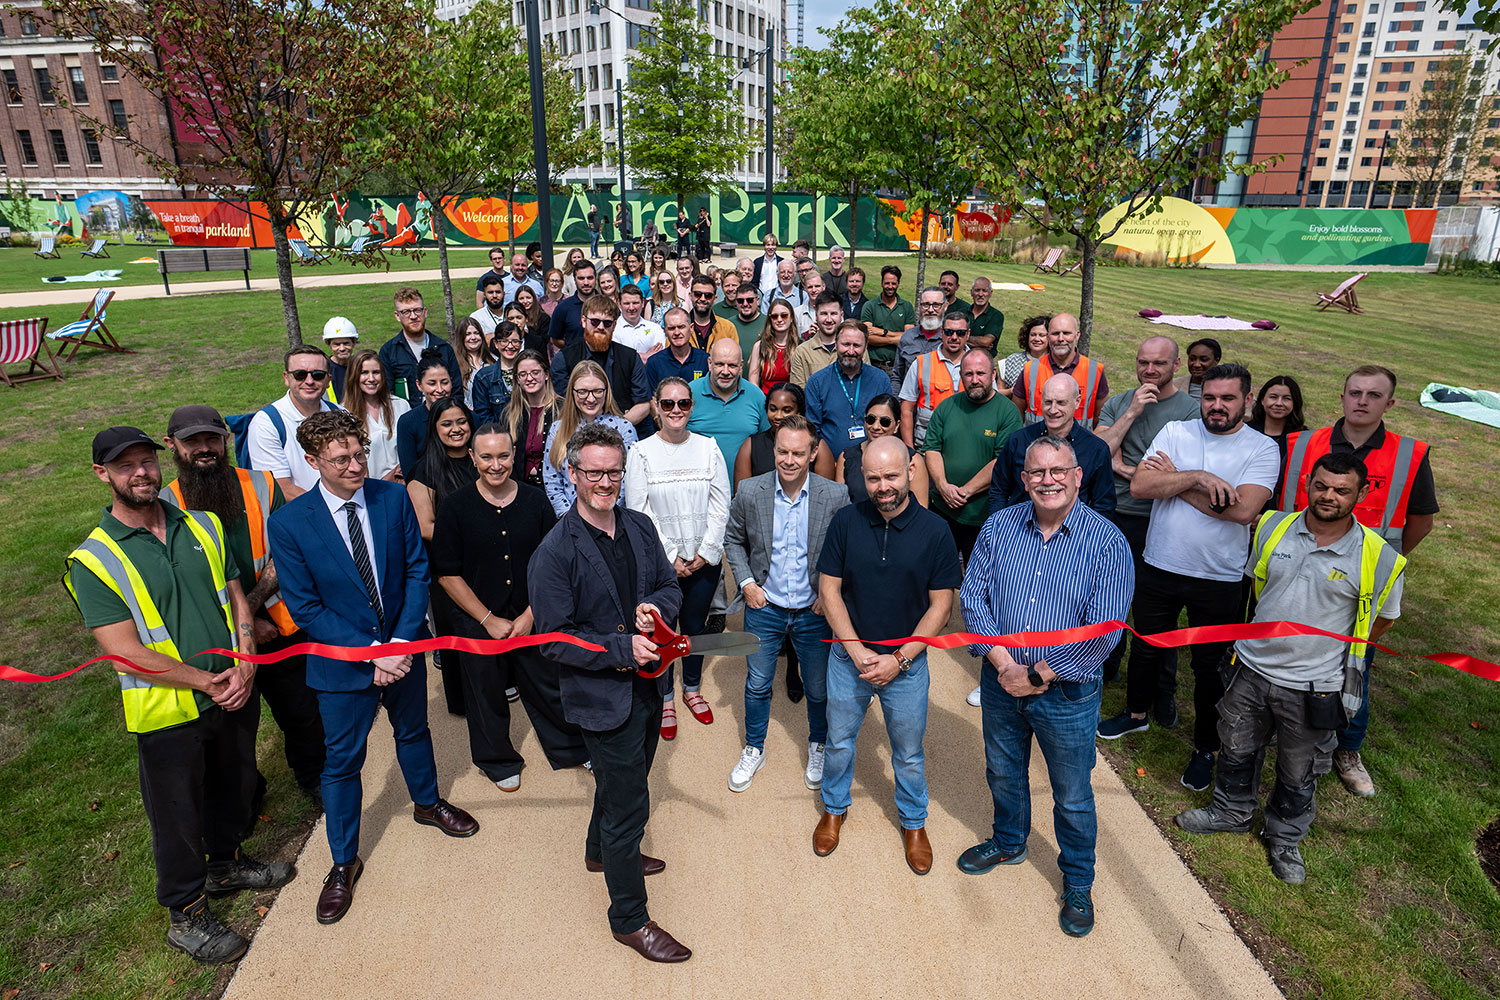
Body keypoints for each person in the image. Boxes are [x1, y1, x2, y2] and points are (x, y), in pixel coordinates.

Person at [67, 427, 293, 964]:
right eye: (126, 467)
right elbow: (124, 650)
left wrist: (242, 662)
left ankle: (226, 865)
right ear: (103, 475)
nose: (141, 473)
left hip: (233, 688)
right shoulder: (93, 559)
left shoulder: (205, 526)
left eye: (147, 462)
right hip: (168, 709)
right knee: (177, 815)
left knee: (233, 786)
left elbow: (237, 598)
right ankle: (185, 913)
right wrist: (204, 681)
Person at [268, 410, 478, 926]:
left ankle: (427, 804)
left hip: (404, 649)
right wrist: (372, 651)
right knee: (341, 762)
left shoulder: (391, 499)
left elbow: (414, 569)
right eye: (341, 460)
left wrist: (401, 642)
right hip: (342, 666)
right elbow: (305, 607)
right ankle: (343, 862)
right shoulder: (290, 522)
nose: (356, 465)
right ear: (314, 462)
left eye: (360, 453)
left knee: (414, 732)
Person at [1176, 453, 1404, 885]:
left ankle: (1284, 839)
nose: (1329, 497)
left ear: (1362, 493)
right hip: (1251, 669)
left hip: (1316, 686)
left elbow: (1382, 623)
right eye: (1321, 486)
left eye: (1341, 491)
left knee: (1300, 770)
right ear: (1307, 483)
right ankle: (1231, 811)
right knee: (1237, 747)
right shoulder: (1271, 527)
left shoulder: (1381, 558)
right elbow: (1258, 585)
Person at [957, 435, 1135, 938]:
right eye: (1037, 473)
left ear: (1078, 476)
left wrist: (1035, 674)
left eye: (1058, 471)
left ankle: (1078, 879)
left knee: (1073, 793)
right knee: (1003, 770)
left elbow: (1104, 631)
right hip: (1000, 680)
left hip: (1067, 694)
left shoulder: (1107, 541)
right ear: (1023, 479)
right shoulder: (999, 527)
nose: (1048, 480)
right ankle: (1009, 840)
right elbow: (974, 600)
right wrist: (1001, 662)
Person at [527, 422, 689, 963]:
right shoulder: (554, 552)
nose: (604, 482)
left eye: (613, 472)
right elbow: (554, 641)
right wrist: (624, 650)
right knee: (629, 806)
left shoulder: (640, 527)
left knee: (629, 781)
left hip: (649, 688)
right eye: (593, 472)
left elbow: (669, 587)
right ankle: (629, 919)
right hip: (602, 700)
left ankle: (601, 853)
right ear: (571, 474)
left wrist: (657, 611)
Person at [1097, 363, 1281, 793]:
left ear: (1247, 401)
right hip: (1160, 563)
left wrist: (1173, 481)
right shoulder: (1178, 432)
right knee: (1146, 647)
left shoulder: (1262, 449)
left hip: (1218, 577)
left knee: (1208, 668)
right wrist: (1199, 478)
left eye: (1228, 399)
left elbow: (1242, 511)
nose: (1216, 406)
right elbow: (1141, 486)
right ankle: (1137, 714)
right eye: (1210, 398)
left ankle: (1204, 747)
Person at [1276, 364, 1437, 796]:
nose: (1362, 401)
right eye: (1355, 392)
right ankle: (1284, 728)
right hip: (1301, 566)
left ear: (1390, 403)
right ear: (1343, 396)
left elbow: (1420, 521)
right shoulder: (1304, 443)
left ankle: (1347, 749)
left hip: (1363, 582)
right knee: (1290, 648)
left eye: (1373, 394)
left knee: (1354, 666)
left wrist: (1386, 563)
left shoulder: (1410, 454)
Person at [813, 436, 962, 875]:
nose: (883, 486)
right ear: (862, 476)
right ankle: (834, 807)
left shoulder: (936, 531)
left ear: (912, 470)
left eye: (892, 476)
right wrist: (857, 652)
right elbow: (829, 590)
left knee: (909, 752)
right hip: (849, 659)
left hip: (907, 665)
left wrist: (898, 660)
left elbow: (942, 606)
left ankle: (914, 822)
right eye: (874, 477)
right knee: (838, 742)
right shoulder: (845, 522)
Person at [163, 405, 326, 802]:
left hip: (281, 626)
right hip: (217, 641)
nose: (205, 449)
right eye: (193, 441)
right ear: (172, 446)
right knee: (231, 728)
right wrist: (243, 626)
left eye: (212, 439)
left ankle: (315, 779)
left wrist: (250, 610)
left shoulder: (262, 484)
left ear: (226, 440)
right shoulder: (166, 504)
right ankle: (246, 798)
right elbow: (181, 580)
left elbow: (288, 553)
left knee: (303, 713)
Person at [434, 422, 587, 791]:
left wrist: (531, 614)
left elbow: (554, 564)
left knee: (549, 683)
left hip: (531, 614)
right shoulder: (455, 507)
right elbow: (446, 573)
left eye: (503, 455)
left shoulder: (535, 502)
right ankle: (497, 759)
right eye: (486, 456)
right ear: (473, 458)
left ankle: (569, 747)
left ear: (514, 454)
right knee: (484, 691)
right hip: (477, 619)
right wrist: (487, 620)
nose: (495, 464)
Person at [724, 414, 849, 792]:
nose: (789, 460)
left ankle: (818, 743)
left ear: (813, 453)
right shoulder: (750, 491)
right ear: (774, 449)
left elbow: (845, 551)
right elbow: (732, 540)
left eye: (798, 453)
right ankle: (754, 747)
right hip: (766, 607)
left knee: (817, 686)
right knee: (758, 683)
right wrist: (746, 583)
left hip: (814, 610)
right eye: (782, 451)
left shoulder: (835, 495)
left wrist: (830, 596)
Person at [624, 378, 731, 741]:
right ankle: (666, 695)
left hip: (703, 559)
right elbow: (639, 511)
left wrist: (703, 553)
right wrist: (670, 557)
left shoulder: (708, 448)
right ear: (655, 406)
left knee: (694, 628)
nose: (675, 411)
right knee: (661, 630)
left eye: (683, 404)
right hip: (660, 564)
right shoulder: (640, 453)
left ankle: (692, 687)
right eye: (667, 404)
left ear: (691, 406)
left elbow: (721, 504)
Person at [1092, 336, 1201, 688]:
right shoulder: (1122, 402)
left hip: (1164, 518)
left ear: (1176, 365)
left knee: (1156, 608)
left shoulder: (1190, 411)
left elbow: (1181, 472)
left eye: (1159, 363)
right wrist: (1132, 414)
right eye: (1144, 362)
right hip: (1114, 514)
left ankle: (1160, 686)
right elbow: (1098, 452)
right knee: (1108, 598)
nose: (1150, 370)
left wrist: (1124, 468)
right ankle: (1104, 668)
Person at [406, 397, 479, 715]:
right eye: (446, 423)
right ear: (435, 429)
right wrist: (475, 536)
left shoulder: (483, 460)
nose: (456, 429)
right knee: (456, 633)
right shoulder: (424, 469)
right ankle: (463, 700)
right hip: (448, 566)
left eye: (461, 421)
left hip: (484, 561)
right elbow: (425, 526)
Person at [923, 350, 1023, 560]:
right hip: (942, 509)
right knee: (937, 574)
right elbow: (932, 448)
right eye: (968, 374)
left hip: (981, 515)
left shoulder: (1007, 412)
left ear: (993, 374)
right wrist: (942, 486)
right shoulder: (947, 406)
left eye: (980, 373)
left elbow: (1001, 461)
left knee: (978, 579)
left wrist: (965, 492)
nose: (974, 380)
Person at [989, 373, 1114, 514]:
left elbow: (1104, 506)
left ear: (1077, 402)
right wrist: (999, 528)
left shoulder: (1096, 449)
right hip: (1020, 530)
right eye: (1048, 402)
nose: (1053, 410)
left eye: (1061, 403)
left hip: (1073, 533)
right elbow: (998, 490)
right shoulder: (1018, 440)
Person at [246, 344, 342, 499]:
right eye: (300, 374)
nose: (309, 381)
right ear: (286, 378)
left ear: (328, 380)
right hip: (300, 516)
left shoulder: (341, 414)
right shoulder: (267, 423)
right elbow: (280, 488)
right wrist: (329, 511)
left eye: (318, 375)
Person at [544, 361, 640, 515]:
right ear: (573, 392)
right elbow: (552, 481)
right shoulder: (558, 429)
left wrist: (608, 513)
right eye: (583, 391)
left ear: (606, 391)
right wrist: (570, 517)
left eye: (597, 391)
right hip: (571, 520)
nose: (590, 399)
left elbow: (629, 480)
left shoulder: (624, 428)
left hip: (613, 517)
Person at [550, 294, 652, 435]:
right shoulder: (564, 358)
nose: (601, 327)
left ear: (615, 325)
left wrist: (615, 429)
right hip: (577, 433)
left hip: (621, 434)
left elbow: (643, 405)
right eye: (595, 322)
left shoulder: (630, 357)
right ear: (584, 321)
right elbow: (564, 405)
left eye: (607, 323)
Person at [1010, 312, 1109, 429]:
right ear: (1047, 336)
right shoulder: (1030, 370)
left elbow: (1101, 420)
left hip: (1078, 445)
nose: (1061, 339)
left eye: (1066, 333)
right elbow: (1016, 416)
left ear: (1077, 335)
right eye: (1055, 334)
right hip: (1037, 443)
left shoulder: (1094, 371)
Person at [686, 338, 770, 475]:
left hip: (744, 490)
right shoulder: (689, 394)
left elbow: (766, 443)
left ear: (741, 366)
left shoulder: (756, 396)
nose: (725, 371)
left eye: (732, 365)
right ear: (709, 363)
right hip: (699, 490)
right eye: (719, 364)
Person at [805, 320, 893, 451]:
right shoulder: (817, 382)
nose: (851, 351)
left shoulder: (881, 380)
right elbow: (812, 432)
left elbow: (888, 428)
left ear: (866, 346)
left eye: (857, 345)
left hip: (872, 463)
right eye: (846, 344)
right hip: (829, 466)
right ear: (836, 344)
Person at [835, 394, 931, 508]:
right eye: (871, 419)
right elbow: (840, 506)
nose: (875, 426)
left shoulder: (913, 460)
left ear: (896, 425)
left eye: (884, 422)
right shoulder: (846, 458)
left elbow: (921, 508)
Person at [734, 382, 836, 486]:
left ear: (798, 412)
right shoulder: (751, 445)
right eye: (773, 409)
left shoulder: (818, 446)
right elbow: (742, 495)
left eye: (786, 410)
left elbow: (826, 495)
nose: (778, 416)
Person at [899, 309, 970, 448]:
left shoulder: (979, 363)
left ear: (968, 334)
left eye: (960, 333)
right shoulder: (921, 363)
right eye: (949, 332)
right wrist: (910, 450)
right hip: (927, 445)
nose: (954, 337)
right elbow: (906, 409)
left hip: (966, 446)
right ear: (941, 332)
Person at [379, 287, 461, 403]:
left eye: (417, 310)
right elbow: (387, 395)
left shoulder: (443, 348)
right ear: (397, 316)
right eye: (406, 312)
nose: (413, 316)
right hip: (406, 417)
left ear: (425, 312)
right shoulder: (389, 351)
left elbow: (457, 391)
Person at [344, 348, 410, 482]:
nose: (371, 378)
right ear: (354, 376)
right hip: (369, 488)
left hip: (404, 485)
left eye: (376, 372)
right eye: (364, 373)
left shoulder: (401, 406)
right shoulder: (344, 414)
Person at [501, 349, 559, 490]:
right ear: (517, 380)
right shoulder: (510, 413)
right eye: (523, 374)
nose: (529, 378)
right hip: (519, 490)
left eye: (535, 372)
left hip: (554, 490)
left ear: (546, 374)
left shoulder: (561, 410)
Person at [394, 350, 455, 481]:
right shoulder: (408, 422)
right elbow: (410, 473)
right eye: (431, 383)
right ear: (419, 385)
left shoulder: (468, 418)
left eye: (444, 382)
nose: (439, 389)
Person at [860, 264, 914, 386]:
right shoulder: (870, 306)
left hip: (898, 366)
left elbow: (908, 338)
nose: (890, 287)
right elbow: (868, 337)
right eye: (887, 283)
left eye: (893, 283)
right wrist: (895, 339)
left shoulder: (906, 306)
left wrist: (882, 332)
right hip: (874, 365)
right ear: (881, 283)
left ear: (898, 284)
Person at [790, 292, 849, 388]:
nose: (829, 319)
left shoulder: (854, 349)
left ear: (841, 315)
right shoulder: (802, 352)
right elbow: (798, 393)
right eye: (824, 314)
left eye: (833, 313)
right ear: (816, 315)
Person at [644, 307, 710, 391]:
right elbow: (652, 398)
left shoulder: (705, 360)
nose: (677, 333)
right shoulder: (654, 363)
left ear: (691, 328)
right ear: (665, 331)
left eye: (681, 327)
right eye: (671, 328)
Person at [1248, 375, 1306, 464]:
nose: (1279, 403)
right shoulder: (1246, 431)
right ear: (1262, 400)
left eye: (1287, 399)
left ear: (1295, 403)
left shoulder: (1303, 439)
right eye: (1273, 397)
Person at [748, 299, 797, 389]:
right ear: (770, 320)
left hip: (792, 401)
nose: (779, 320)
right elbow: (753, 383)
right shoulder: (759, 346)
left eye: (784, 315)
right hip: (765, 400)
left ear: (792, 318)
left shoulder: (800, 346)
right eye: (774, 316)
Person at [551, 260, 599, 349]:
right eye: (581, 278)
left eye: (590, 278)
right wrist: (572, 350)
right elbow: (555, 338)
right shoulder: (563, 308)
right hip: (575, 360)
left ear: (595, 278)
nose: (586, 283)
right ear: (574, 280)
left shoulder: (607, 305)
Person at [685, 273, 737, 352]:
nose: (702, 299)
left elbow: (734, 359)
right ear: (690, 296)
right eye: (697, 294)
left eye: (708, 295)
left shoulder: (728, 328)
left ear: (715, 299)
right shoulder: (678, 328)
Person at [1000, 314, 1050, 394]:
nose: (1036, 339)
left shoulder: (1055, 362)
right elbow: (997, 394)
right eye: (1033, 335)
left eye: (1042, 335)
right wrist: (1013, 391)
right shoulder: (1011, 361)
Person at [614, 284, 666, 360]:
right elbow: (617, 358)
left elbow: (660, 357)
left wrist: (629, 357)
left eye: (635, 303)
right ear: (619, 304)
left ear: (642, 303)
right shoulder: (612, 329)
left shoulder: (655, 329)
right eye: (627, 303)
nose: (631, 308)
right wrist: (646, 356)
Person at [453, 317, 493, 411]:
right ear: (461, 337)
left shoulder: (493, 360)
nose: (473, 337)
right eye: (468, 334)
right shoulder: (455, 364)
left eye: (476, 333)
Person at [961, 277, 1004, 354]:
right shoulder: (961, 312)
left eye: (984, 291)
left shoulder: (996, 315)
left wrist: (960, 338)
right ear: (971, 292)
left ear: (990, 293)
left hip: (983, 361)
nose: (980, 294)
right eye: (977, 290)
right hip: (960, 358)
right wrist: (979, 343)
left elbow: (986, 342)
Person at [323, 316, 360, 405]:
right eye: (337, 344)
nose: (342, 348)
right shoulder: (323, 369)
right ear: (328, 344)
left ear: (354, 342)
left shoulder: (361, 366)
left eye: (346, 343)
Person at [727, 280, 766, 361]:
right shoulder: (728, 325)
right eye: (740, 301)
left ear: (757, 300)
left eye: (750, 300)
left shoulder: (768, 323)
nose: (745, 304)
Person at [511, 285, 552, 353]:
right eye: (521, 298)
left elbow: (544, 341)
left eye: (528, 298)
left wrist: (527, 333)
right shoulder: (512, 317)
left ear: (533, 299)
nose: (525, 301)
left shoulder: (544, 318)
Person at [471, 273, 508, 339]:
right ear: (484, 295)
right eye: (490, 292)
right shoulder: (476, 317)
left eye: (498, 292)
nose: (494, 296)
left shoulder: (512, 313)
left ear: (504, 294)